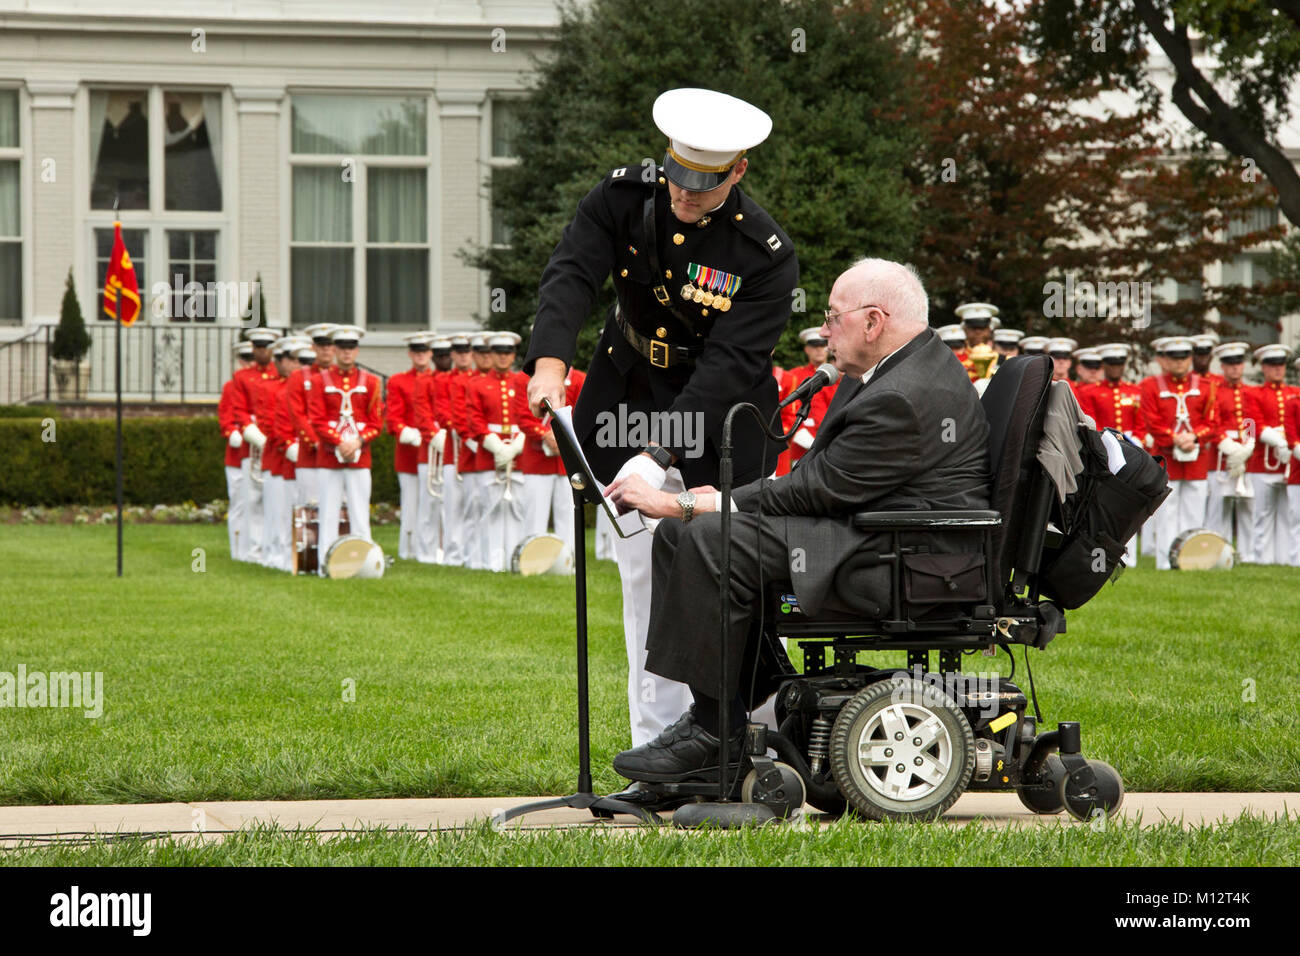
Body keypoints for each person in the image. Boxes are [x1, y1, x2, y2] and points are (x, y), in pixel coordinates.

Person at [605, 258, 989, 781]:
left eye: (833, 317)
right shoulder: (895, 368)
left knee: (702, 537)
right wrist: (698, 508)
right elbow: (824, 482)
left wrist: (690, 502)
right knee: (681, 536)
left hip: (902, 557)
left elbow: (819, 489)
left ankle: (717, 735)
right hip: (876, 532)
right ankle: (728, 709)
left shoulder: (904, 393)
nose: (825, 329)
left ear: (874, 322)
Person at [523, 88, 798, 748]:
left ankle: (758, 735)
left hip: (725, 419)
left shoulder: (764, 255)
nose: (683, 195)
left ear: (738, 173)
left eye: (703, 185)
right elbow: (570, 275)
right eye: (676, 174)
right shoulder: (621, 197)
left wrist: (660, 452)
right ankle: (659, 744)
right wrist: (550, 363)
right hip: (628, 385)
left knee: (735, 576)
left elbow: (727, 368)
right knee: (643, 574)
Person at [308, 325, 384, 567]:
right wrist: (340, 441)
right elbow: (317, 419)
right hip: (330, 455)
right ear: (334, 350)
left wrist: (358, 441)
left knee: (360, 512)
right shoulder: (319, 381)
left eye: (350, 348)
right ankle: (326, 564)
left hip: (360, 455)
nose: (346, 353)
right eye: (341, 347)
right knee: (328, 513)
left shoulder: (371, 382)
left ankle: (365, 564)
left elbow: (376, 422)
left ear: (357, 350)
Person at [1140, 336, 1216, 570]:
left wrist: (1194, 437)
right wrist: (1174, 439)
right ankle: (1165, 561)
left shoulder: (1206, 386)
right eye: (1174, 357)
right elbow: (1151, 421)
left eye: (1184, 357)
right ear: (1164, 360)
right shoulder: (1150, 386)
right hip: (1167, 458)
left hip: (1196, 461)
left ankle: (1191, 560)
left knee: (1194, 512)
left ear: (1191, 358)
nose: (1180, 362)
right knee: (1166, 514)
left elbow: (1213, 421)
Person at [1076, 342, 1142, 565]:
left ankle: (1129, 554)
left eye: (1119, 364)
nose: (1116, 368)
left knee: (1131, 502)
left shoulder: (1134, 391)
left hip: (1134, 450)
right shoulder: (1089, 392)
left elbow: (1142, 422)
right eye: (1111, 364)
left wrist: (1138, 439)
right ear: (1104, 365)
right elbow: (1091, 423)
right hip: (1106, 451)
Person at [468, 333, 528, 571]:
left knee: (517, 509)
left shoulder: (522, 382)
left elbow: (531, 415)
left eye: (508, 353)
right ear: (491, 355)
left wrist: (516, 447)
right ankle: (491, 562)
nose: (503, 358)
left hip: (519, 453)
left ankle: (514, 560)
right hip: (488, 454)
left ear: (513, 355)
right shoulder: (477, 385)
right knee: (490, 510)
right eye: (498, 353)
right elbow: (474, 419)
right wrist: (495, 446)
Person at [229, 327, 282, 564]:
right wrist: (254, 434)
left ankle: (272, 548)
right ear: (253, 349)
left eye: (266, 348)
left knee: (275, 499)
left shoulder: (279, 374)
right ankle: (253, 550)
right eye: (258, 348)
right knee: (250, 500)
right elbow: (238, 411)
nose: (262, 352)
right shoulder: (242, 377)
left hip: (276, 442)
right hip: (251, 443)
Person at [1245, 343, 1297, 564]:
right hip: (1263, 462)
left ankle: (1285, 557)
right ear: (1264, 368)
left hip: (1291, 462)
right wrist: (1278, 440)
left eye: (1281, 364)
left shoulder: (1295, 394)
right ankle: (1262, 557)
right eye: (1272, 365)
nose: (1278, 369)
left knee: (1288, 513)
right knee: (1263, 514)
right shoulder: (1253, 393)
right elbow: (1252, 424)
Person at [387, 332, 435, 560]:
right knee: (411, 503)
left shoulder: (438, 380)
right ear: (410, 354)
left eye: (424, 351)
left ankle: (431, 547)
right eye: (416, 352)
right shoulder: (398, 381)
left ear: (431, 353)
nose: (421, 356)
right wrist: (409, 433)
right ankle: (408, 550)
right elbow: (394, 418)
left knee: (433, 502)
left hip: (435, 450)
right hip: (410, 450)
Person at [1206, 341, 1256, 559]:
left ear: (1243, 365)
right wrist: (1228, 446)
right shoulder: (1214, 392)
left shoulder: (1251, 392)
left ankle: (1248, 554)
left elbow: (1255, 420)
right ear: (1222, 366)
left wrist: (1248, 446)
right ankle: (1219, 553)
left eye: (1238, 363)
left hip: (1247, 454)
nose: (1235, 367)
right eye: (1229, 363)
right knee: (1219, 506)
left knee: (1248, 507)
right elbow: (1212, 422)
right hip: (1221, 454)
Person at [285, 322, 337, 510]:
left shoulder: (341, 377)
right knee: (310, 510)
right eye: (321, 345)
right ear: (313, 348)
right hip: (311, 453)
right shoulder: (299, 377)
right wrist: (318, 442)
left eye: (329, 345)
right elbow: (298, 415)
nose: (325, 350)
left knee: (340, 511)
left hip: (339, 454)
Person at [775, 327, 837, 477]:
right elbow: (788, 413)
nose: (819, 350)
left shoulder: (838, 380)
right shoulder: (794, 375)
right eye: (814, 346)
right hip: (800, 448)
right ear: (807, 349)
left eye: (822, 345)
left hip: (829, 448)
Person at [219, 341, 254, 560]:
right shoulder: (231, 387)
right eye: (246, 359)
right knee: (239, 504)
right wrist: (232, 432)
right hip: (238, 454)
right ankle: (238, 549)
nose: (250, 363)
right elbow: (225, 417)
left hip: (263, 455)